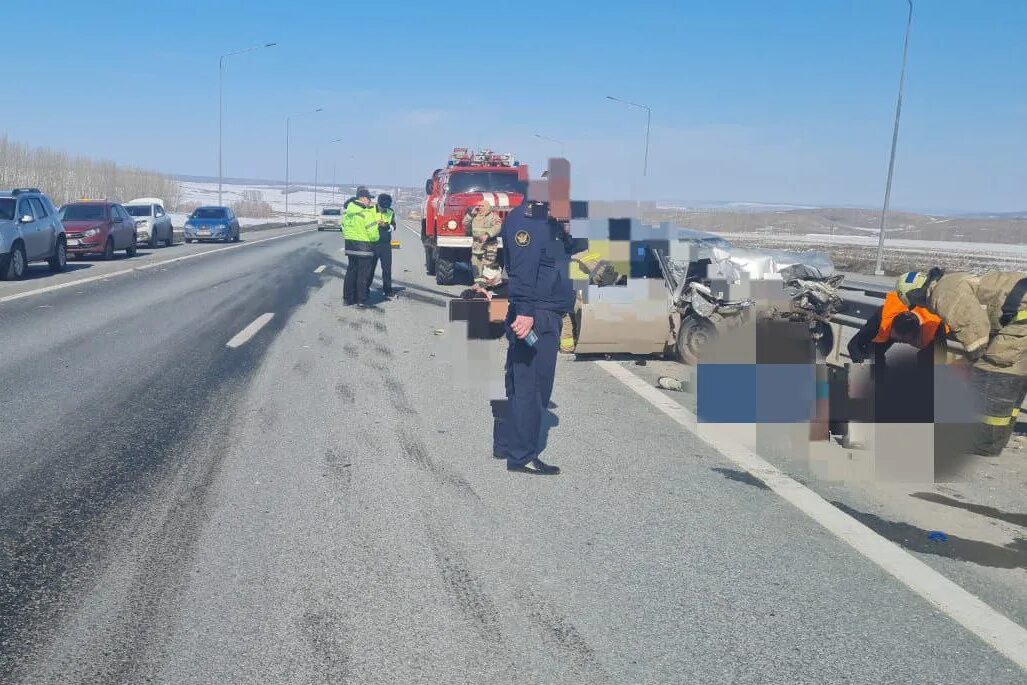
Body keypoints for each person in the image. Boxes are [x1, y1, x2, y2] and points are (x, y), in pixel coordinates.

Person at [896, 268, 1027, 455]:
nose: (920, 307)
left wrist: (975, 359)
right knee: (1014, 372)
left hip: (1022, 319)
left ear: (915, 292)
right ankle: (995, 440)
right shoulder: (951, 282)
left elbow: (975, 329)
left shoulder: (942, 293)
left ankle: (984, 443)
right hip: (1020, 317)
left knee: (989, 371)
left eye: (914, 302)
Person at [492, 199, 574, 475]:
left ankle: (506, 444)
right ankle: (522, 455)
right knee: (532, 386)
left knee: (519, 381)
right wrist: (526, 313)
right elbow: (523, 271)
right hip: (536, 316)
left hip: (539, 312)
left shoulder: (546, 222)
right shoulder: (528, 223)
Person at [847, 290, 947, 365]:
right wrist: (859, 361)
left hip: (934, 322)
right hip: (892, 324)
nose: (899, 342)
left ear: (916, 335)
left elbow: (939, 363)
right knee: (871, 353)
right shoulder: (885, 314)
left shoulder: (935, 327)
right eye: (896, 338)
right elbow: (855, 343)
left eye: (904, 340)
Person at [341, 187, 379, 307]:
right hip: (365, 248)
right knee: (363, 274)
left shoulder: (347, 214)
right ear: (362, 198)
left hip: (350, 246)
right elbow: (373, 234)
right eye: (368, 199)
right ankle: (361, 299)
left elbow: (343, 228)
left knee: (351, 272)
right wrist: (376, 239)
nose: (369, 201)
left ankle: (347, 299)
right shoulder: (366, 213)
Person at [464, 200, 503, 288]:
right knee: (475, 263)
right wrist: (470, 214)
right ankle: (478, 282)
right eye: (478, 206)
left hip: (490, 245)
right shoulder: (474, 215)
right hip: (477, 245)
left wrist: (487, 234)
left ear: (487, 207)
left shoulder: (493, 216)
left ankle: (488, 284)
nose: (479, 208)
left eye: (482, 206)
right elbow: (465, 223)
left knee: (488, 264)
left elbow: (498, 226)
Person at [368, 193, 396, 297]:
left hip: (385, 245)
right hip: (372, 244)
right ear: (378, 204)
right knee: (370, 268)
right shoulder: (370, 211)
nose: (384, 210)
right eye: (382, 207)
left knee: (387, 268)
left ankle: (388, 290)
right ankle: (365, 288)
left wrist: (387, 226)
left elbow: (394, 226)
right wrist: (376, 225)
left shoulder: (390, 212)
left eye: (386, 208)